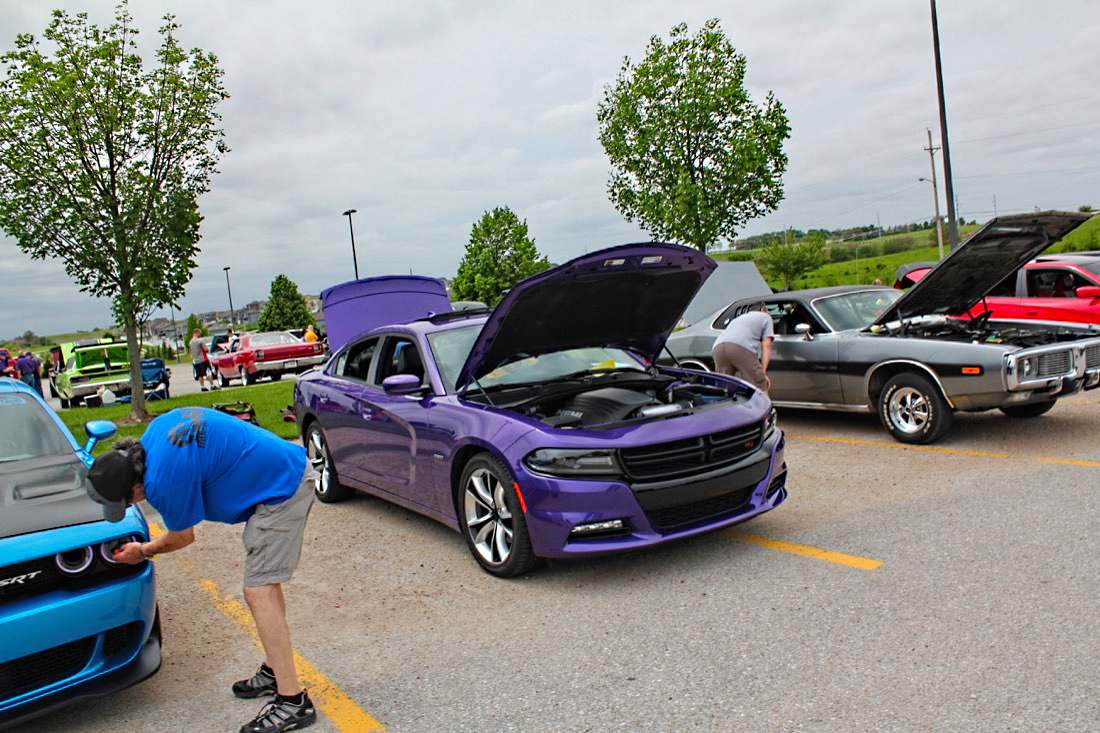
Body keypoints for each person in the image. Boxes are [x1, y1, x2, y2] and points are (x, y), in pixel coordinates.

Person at [86, 406, 319, 733]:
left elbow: (183, 537)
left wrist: (141, 551)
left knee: (258, 591)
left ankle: (293, 701)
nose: (132, 506)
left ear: (136, 489)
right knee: (264, 585)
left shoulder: (161, 482)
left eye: (126, 502)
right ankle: (274, 670)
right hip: (279, 469)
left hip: (283, 489)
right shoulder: (152, 435)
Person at [712, 301, 774, 393]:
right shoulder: (766, 317)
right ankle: (763, 407)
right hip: (740, 348)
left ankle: (723, 406)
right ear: (763, 310)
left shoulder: (739, 318)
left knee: (724, 388)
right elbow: (766, 345)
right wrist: (762, 374)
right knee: (759, 387)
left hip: (718, 348)